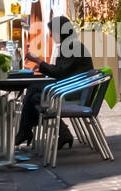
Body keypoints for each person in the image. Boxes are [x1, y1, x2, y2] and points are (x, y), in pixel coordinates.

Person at [15, 15, 94, 149]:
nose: (50, 35)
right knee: (35, 96)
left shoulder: (71, 47)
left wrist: (39, 62)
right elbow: (61, 71)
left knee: (34, 90)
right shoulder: (70, 45)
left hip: (74, 92)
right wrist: (42, 67)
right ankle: (60, 133)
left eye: (52, 31)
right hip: (72, 88)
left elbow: (59, 72)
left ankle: (25, 131)